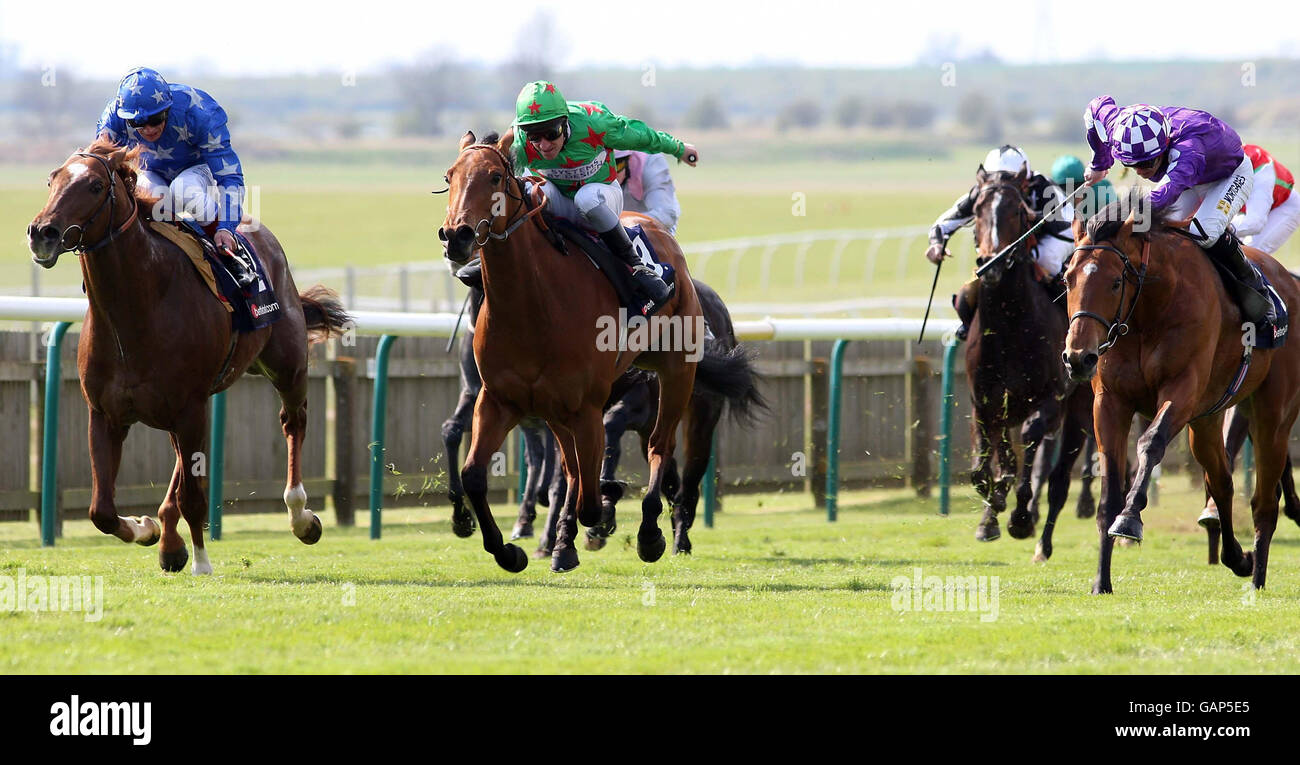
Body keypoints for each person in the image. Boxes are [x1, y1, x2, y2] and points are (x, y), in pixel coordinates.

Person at [1083, 95, 1271, 324]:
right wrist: (1099, 164)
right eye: (1132, 165)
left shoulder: (1188, 151)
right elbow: (1094, 110)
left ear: (1163, 149)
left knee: (1202, 233)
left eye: (1146, 164)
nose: (1141, 171)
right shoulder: (1116, 127)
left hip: (1228, 175)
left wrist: (1124, 221)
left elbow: (1163, 195)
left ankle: (1254, 287)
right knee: (1153, 233)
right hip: (1188, 177)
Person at [511, 80, 698, 303]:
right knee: (528, 189)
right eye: (534, 137)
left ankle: (638, 267)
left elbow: (642, 137)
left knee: (586, 198)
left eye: (551, 133)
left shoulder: (595, 122)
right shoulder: (519, 142)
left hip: (602, 198)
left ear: (565, 121)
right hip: (559, 202)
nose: (543, 145)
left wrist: (679, 149)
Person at [95, 67, 258, 288]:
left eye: (156, 118)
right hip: (153, 172)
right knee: (150, 195)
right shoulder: (113, 118)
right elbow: (99, 170)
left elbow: (229, 176)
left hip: (199, 169)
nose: (149, 129)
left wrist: (226, 227)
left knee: (184, 189)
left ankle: (231, 256)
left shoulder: (199, 112)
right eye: (138, 123)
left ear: (168, 108)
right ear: (126, 119)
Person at [925, 145, 1075, 341]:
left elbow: (1060, 225)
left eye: (1008, 178)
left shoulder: (1043, 188)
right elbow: (942, 225)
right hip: (1011, 243)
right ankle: (969, 322)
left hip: (1061, 233)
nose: (999, 186)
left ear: (1024, 178)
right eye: (995, 178)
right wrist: (937, 245)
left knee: (1043, 258)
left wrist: (1034, 217)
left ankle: (1069, 312)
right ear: (986, 178)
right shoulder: (982, 192)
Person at [1232, 144, 1300, 255]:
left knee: (1251, 253)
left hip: (1283, 206)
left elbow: (1254, 223)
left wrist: (1227, 227)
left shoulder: (1259, 166)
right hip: (1250, 209)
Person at [613, 150, 681, 234]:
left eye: (617, 165)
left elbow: (666, 215)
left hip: (647, 228)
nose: (609, 173)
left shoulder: (650, 162)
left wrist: (620, 226)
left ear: (628, 159)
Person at [1050, 154, 1117, 221]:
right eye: (1066, 188)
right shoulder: (1052, 202)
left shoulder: (1103, 197)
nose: (1072, 194)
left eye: (1076, 187)